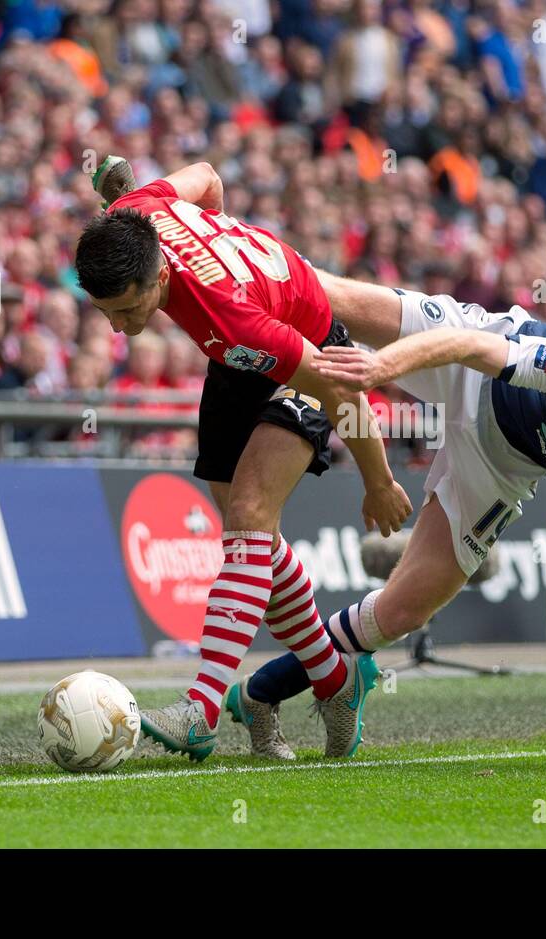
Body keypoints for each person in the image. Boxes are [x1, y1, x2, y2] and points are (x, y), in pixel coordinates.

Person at [232, 281, 546, 771]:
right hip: (470, 365)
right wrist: (378, 368)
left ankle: (259, 692)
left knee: (403, 610)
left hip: (503, 463)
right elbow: (471, 345)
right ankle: (206, 262)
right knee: (330, 297)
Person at [73, 160, 412, 762]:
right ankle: (337, 679)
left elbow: (343, 388)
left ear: (158, 274)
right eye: (107, 315)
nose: (121, 330)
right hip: (239, 351)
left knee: (251, 516)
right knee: (248, 533)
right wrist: (216, 227)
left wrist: (378, 480)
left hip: (308, 343)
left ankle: (201, 711)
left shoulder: (232, 320)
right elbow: (203, 174)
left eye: (127, 311)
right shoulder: (130, 217)